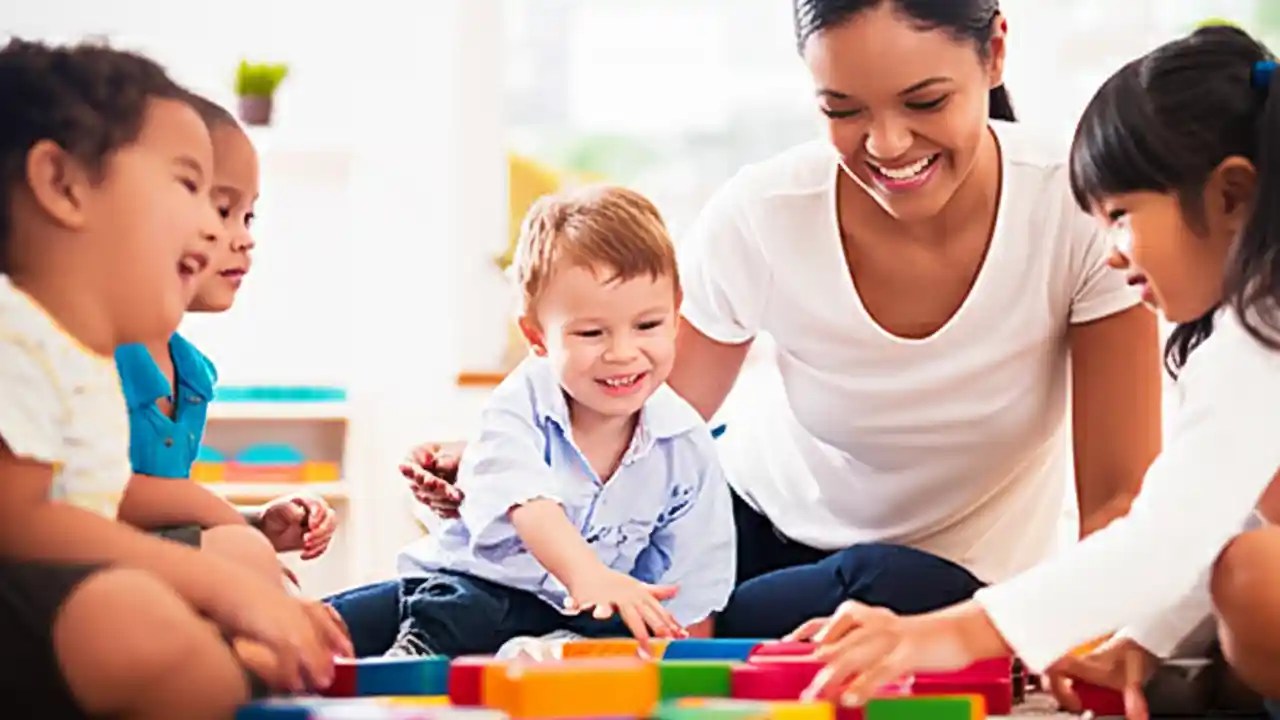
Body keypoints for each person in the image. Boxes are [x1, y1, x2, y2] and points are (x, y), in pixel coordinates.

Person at [378, 0, 1161, 650]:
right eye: (842, 110)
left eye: (925, 102)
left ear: (994, 54)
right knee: (513, 600)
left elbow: (1120, 495)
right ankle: (308, 627)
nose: (886, 145)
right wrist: (499, 462)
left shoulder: (1078, 208)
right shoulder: (765, 211)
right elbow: (636, 412)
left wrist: (1096, 641)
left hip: (937, 589)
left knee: (884, 584)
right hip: (743, 532)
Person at [792, 25, 1280, 720]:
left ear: (1232, 197)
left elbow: (1165, 537)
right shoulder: (1241, 337)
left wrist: (947, 635)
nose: (1109, 252)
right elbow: (1204, 520)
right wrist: (1145, 637)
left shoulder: (1257, 337)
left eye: (1119, 216)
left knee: (1253, 577)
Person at [0, 38, 349, 719]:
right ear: (63, 185)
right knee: (133, 613)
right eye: (191, 188)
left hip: (59, 602)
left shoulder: (82, 360)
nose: (211, 227)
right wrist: (215, 584)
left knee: (162, 625)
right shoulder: (16, 334)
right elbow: (15, 519)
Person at [387, 185, 735, 657]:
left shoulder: (686, 442)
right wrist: (588, 575)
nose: (623, 353)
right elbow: (528, 502)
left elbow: (693, 583)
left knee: (635, 622)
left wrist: (690, 674)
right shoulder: (517, 406)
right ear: (537, 337)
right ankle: (418, 656)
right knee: (458, 607)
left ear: (676, 317)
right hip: (486, 589)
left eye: (648, 326)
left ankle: (557, 649)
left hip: (587, 612)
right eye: (592, 333)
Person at [114, 92, 337, 581]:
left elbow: (166, 513)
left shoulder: (191, 373)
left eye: (248, 216)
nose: (243, 237)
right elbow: (105, 493)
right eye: (220, 210)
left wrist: (257, 524)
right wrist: (230, 527)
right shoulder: (98, 355)